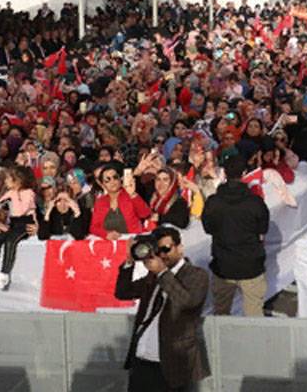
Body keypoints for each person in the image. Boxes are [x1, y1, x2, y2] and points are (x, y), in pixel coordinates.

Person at [115, 226, 210, 392]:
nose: (163, 254)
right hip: (141, 360)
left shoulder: (196, 274)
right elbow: (123, 292)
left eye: (167, 248)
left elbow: (187, 302)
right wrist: (129, 261)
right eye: (158, 250)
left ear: (180, 248)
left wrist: (162, 273)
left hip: (173, 363)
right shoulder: (153, 276)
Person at [201, 156, 270, 316]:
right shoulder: (255, 202)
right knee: (254, 315)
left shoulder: (213, 202)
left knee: (221, 314)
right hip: (251, 265)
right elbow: (263, 230)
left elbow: (208, 228)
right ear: (244, 173)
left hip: (223, 265)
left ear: (224, 173)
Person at [0, 164, 38, 291]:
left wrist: (13, 196)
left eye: (8, 179)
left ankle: (4, 275)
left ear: (18, 181)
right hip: (13, 224)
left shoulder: (29, 193)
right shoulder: (10, 193)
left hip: (25, 223)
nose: (5, 181)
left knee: (10, 241)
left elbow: (22, 211)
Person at [90, 164, 151, 239]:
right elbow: (93, 228)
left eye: (115, 177)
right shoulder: (100, 202)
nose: (112, 181)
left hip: (131, 239)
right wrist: (106, 234)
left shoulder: (130, 194)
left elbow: (145, 214)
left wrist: (132, 194)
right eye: (107, 180)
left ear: (120, 179)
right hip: (109, 242)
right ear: (102, 185)